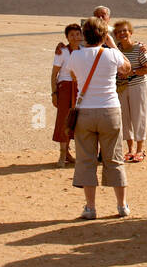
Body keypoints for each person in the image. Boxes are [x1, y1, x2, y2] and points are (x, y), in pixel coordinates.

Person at [65, 17, 131, 219]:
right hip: (110, 110)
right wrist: (111, 45)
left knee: (86, 160)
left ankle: (91, 207)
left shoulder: (75, 56)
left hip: (85, 111)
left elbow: (74, 76)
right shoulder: (111, 54)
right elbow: (127, 68)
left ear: (85, 35)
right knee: (114, 159)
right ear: (104, 35)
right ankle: (121, 206)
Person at [113, 20, 147, 163]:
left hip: (138, 86)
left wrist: (130, 72)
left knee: (139, 116)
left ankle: (140, 149)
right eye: (118, 32)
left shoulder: (139, 48)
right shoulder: (115, 50)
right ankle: (129, 150)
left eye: (124, 30)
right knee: (125, 117)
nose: (122, 34)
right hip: (121, 87)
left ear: (130, 32)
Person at [51, 23, 83, 165]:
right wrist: (54, 93)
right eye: (71, 35)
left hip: (79, 88)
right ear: (67, 37)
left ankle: (70, 153)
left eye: (77, 34)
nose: (75, 37)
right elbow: (54, 74)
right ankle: (62, 154)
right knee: (63, 120)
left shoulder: (85, 50)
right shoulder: (62, 51)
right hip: (64, 88)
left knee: (78, 121)